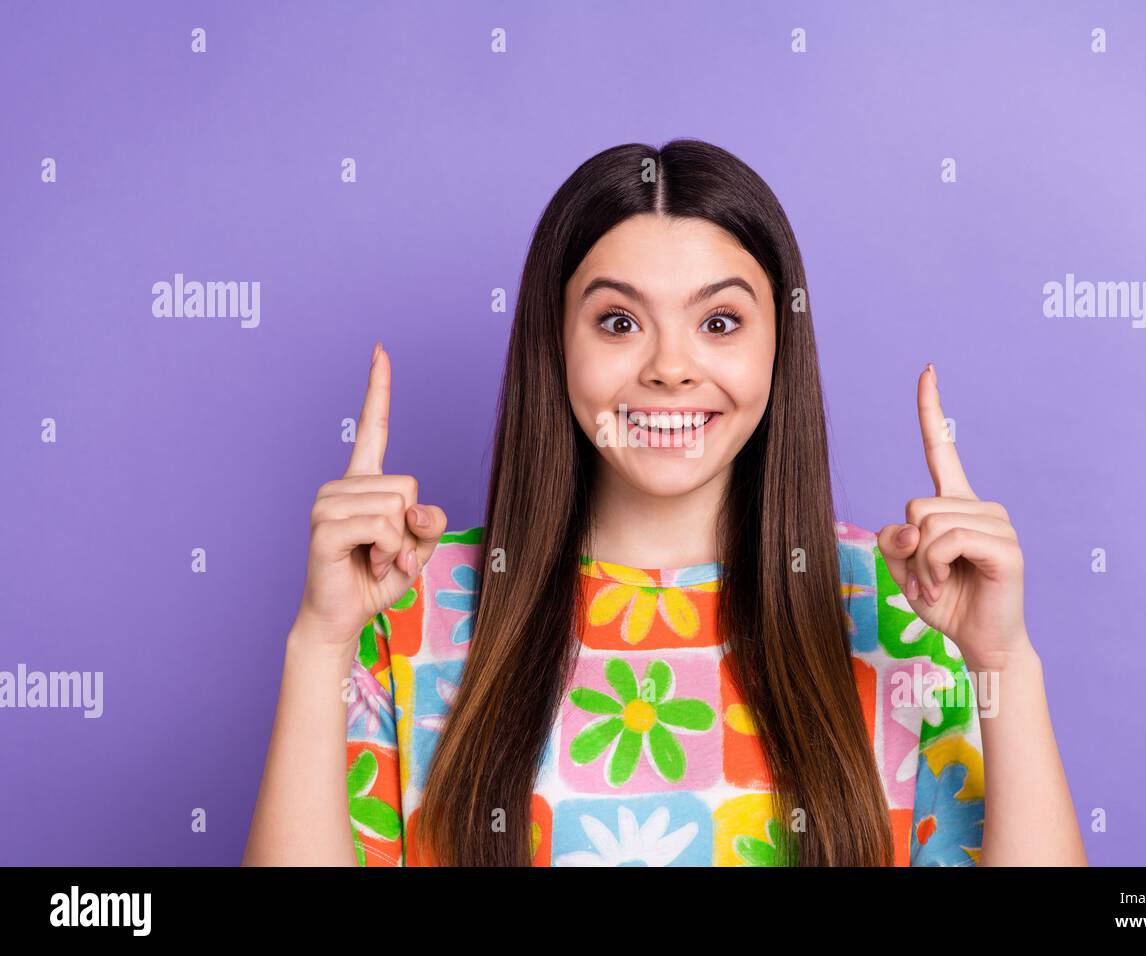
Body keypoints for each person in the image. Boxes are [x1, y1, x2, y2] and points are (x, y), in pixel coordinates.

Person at [243, 139, 1087, 867]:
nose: (671, 368)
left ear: (778, 349)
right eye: (619, 323)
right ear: (556, 344)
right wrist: (320, 643)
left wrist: (1004, 662)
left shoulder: (904, 608)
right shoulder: (406, 606)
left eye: (720, 322)